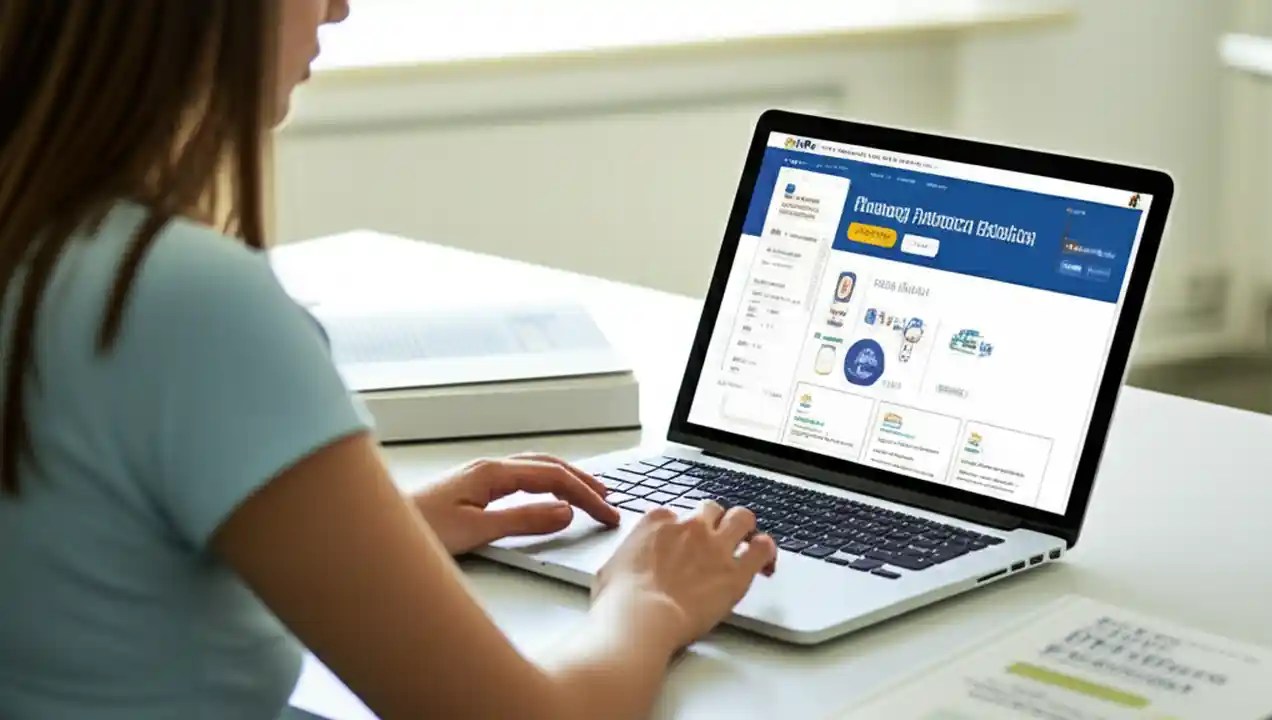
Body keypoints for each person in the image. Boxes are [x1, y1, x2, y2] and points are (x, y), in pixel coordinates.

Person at [0, 3, 777, 719]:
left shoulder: (37, 244)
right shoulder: (183, 300)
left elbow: (77, 560)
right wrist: (649, 600)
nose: (339, 6)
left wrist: (366, 536)